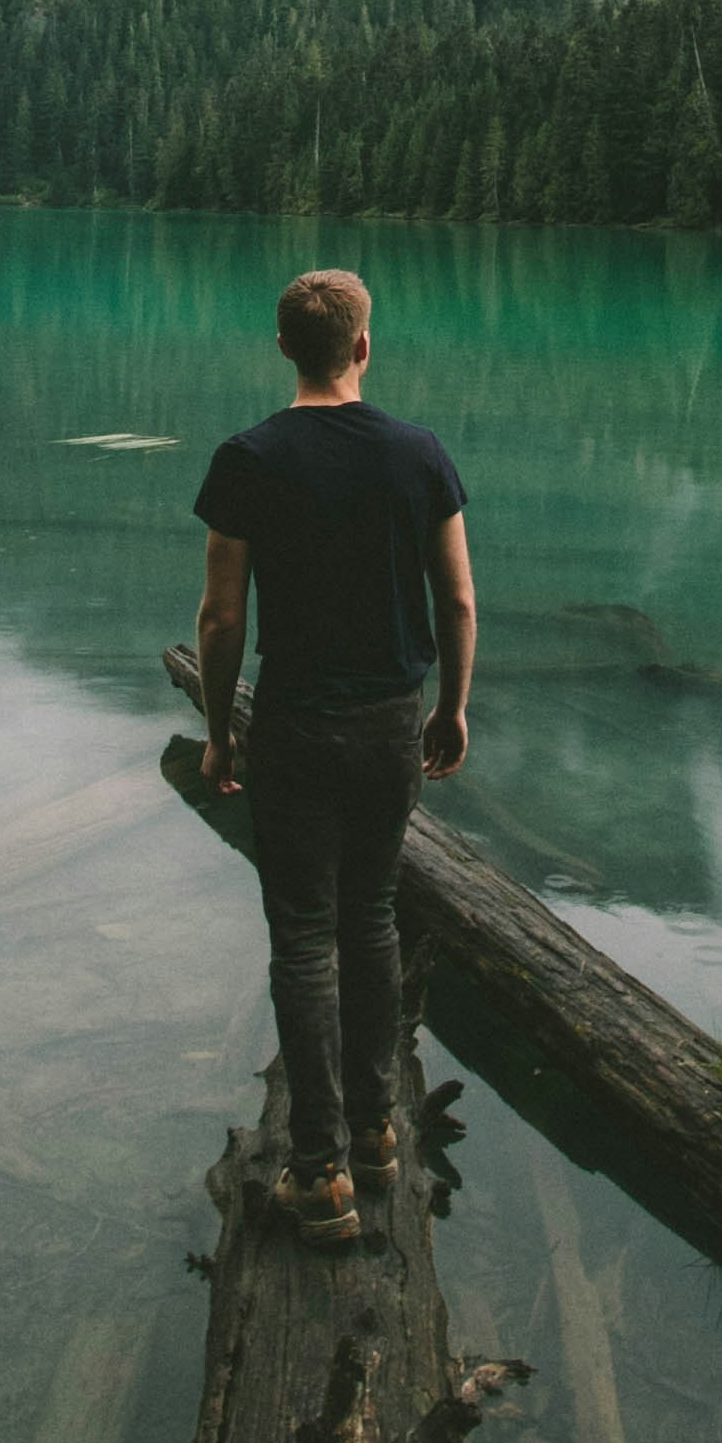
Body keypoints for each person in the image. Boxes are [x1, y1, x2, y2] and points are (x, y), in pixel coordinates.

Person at [192, 267, 475, 1247]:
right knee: (371, 921)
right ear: (363, 347)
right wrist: (454, 707)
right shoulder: (418, 455)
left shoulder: (248, 459)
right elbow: (459, 603)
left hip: (299, 725)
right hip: (392, 721)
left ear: (285, 350)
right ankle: (376, 1134)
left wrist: (227, 730)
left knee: (305, 940)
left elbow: (223, 614)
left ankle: (319, 1175)